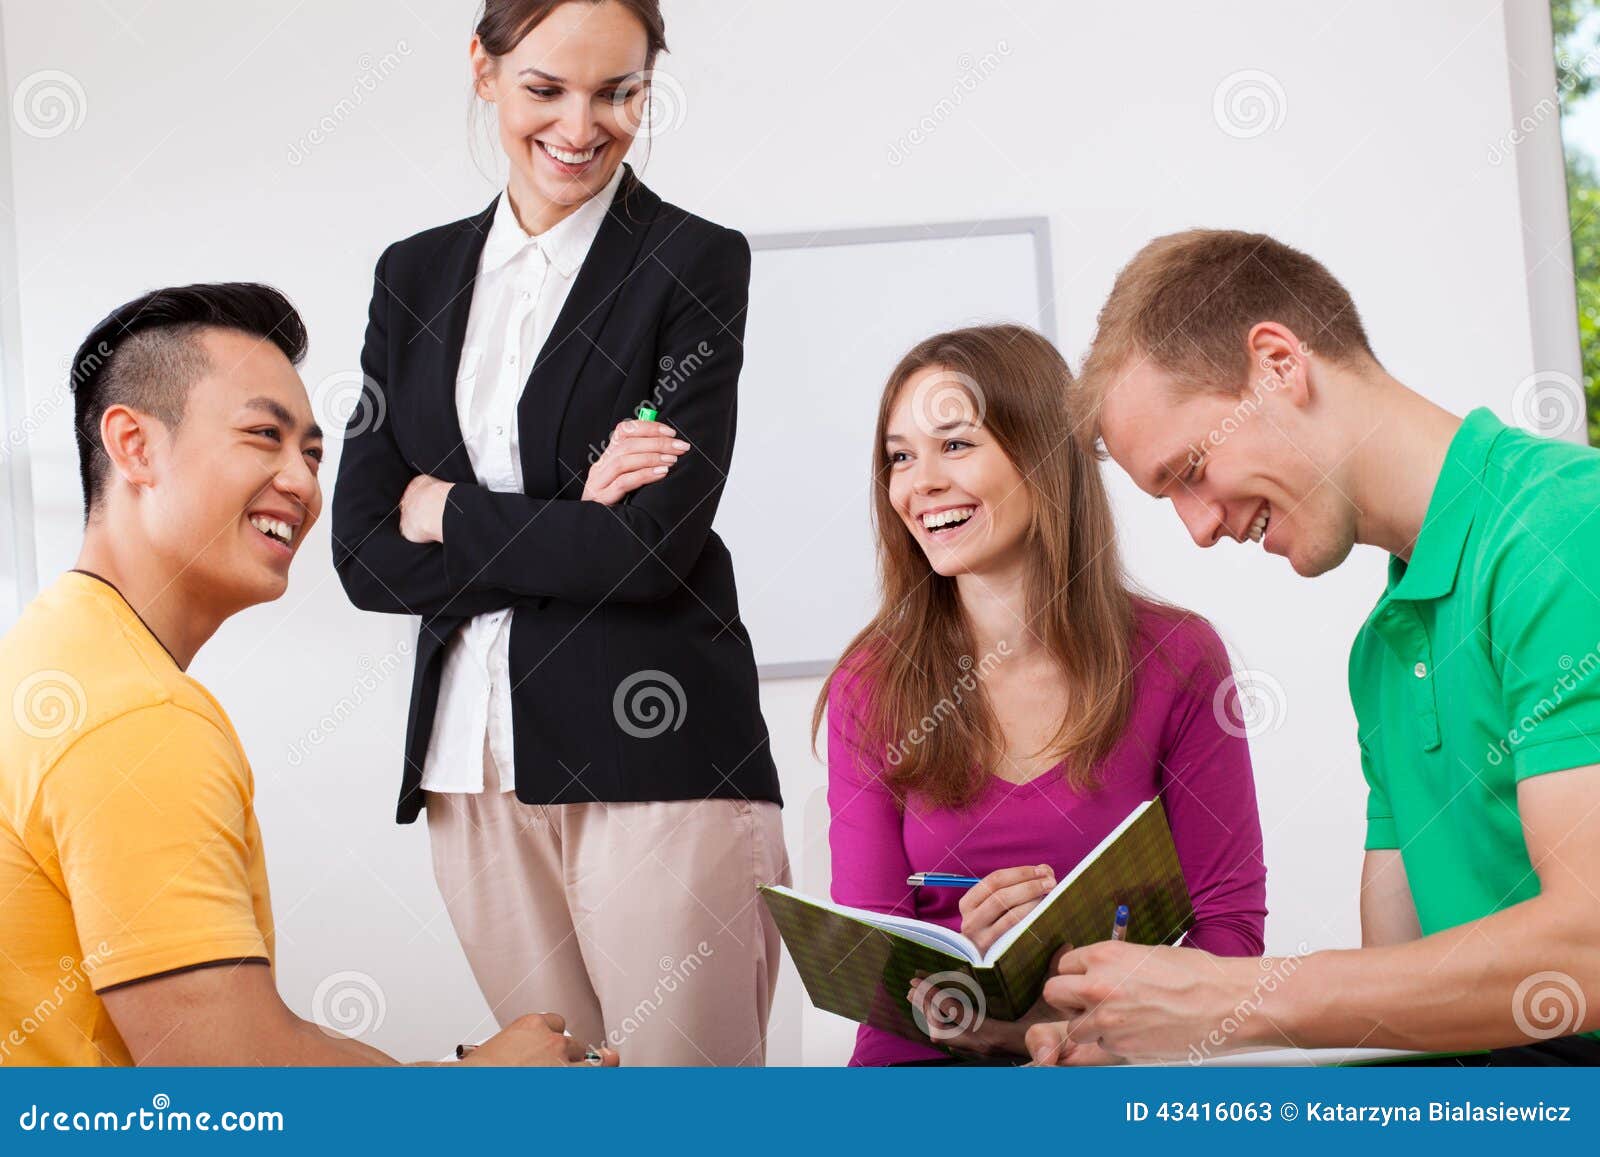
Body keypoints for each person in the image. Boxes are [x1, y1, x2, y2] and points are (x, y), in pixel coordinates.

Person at [330, 0, 789, 1066]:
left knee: (688, 1121)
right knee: (549, 1103)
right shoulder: (414, 276)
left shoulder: (691, 263)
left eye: (618, 93)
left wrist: (444, 506)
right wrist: (567, 515)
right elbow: (361, 552)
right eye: (545, 89)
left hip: (657, 761)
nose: (581, 126)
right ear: (484, 73)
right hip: (468, 762)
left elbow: (645, 550)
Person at [0, 284, 613, 1067]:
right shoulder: (136, 719)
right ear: (134, 445)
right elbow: (229, 1078)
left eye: (313, 453)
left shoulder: (51, 655)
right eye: (264, 435)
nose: (302, 482)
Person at [1033, 228, 1600, 1065]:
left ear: (1277, 363)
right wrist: (1140, 1032)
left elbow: (1587, 949)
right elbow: (1396, 1006)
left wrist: (1230, 995)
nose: (1197, 528)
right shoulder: (1381, 653)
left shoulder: (1561, 530)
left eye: (1189, 468)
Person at [815, 324, 1268, 1065]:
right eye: (899, 457)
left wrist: (1096, 988)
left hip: (1112, 1063)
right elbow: (877, 973)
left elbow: (1231, 930)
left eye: (955, 445)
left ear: (1043, 455)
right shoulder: (871, 684)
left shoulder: (1178, 659)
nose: (918, 483)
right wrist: (976, 990)